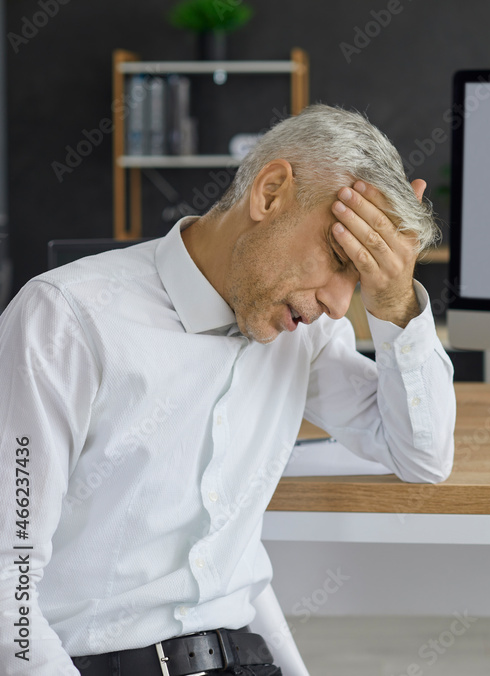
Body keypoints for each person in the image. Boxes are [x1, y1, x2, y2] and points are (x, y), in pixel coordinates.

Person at [0, 104, 456, 675]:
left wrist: (394, 303)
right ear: (269, 194)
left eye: (360, 280)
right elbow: (6, 583)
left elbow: (422, 454)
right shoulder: (65, 320)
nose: (342, 305)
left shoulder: (305, 333)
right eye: (340, 258)